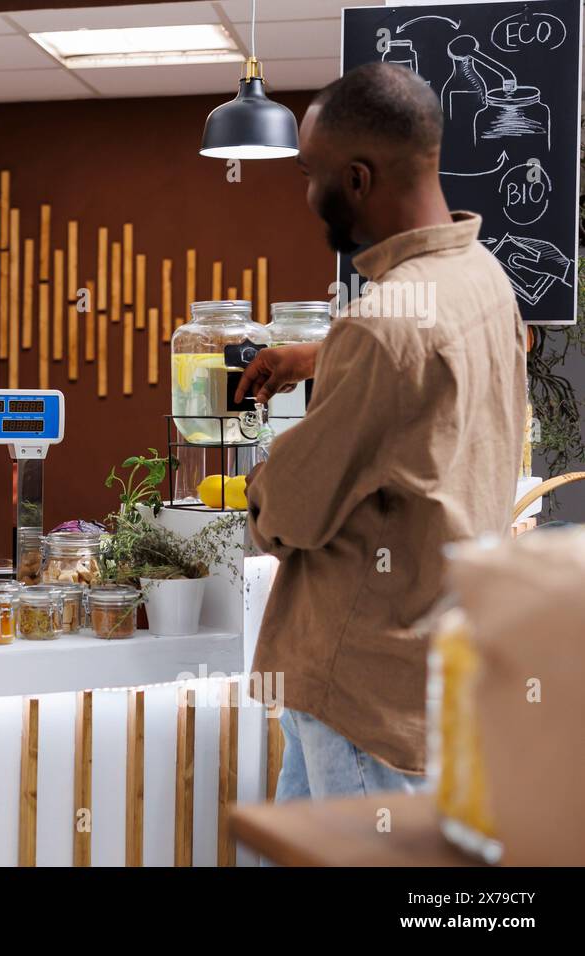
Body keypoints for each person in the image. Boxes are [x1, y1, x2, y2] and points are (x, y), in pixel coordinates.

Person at [240, 62, 526, 800]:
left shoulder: (379, 330)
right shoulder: (486, 279)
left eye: (311, 174)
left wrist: (258, 481)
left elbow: (289, 512)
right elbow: (427, 374)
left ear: (357, 180)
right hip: (431, 671)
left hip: (359, 689)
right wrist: (324, 356)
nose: (309, 193)